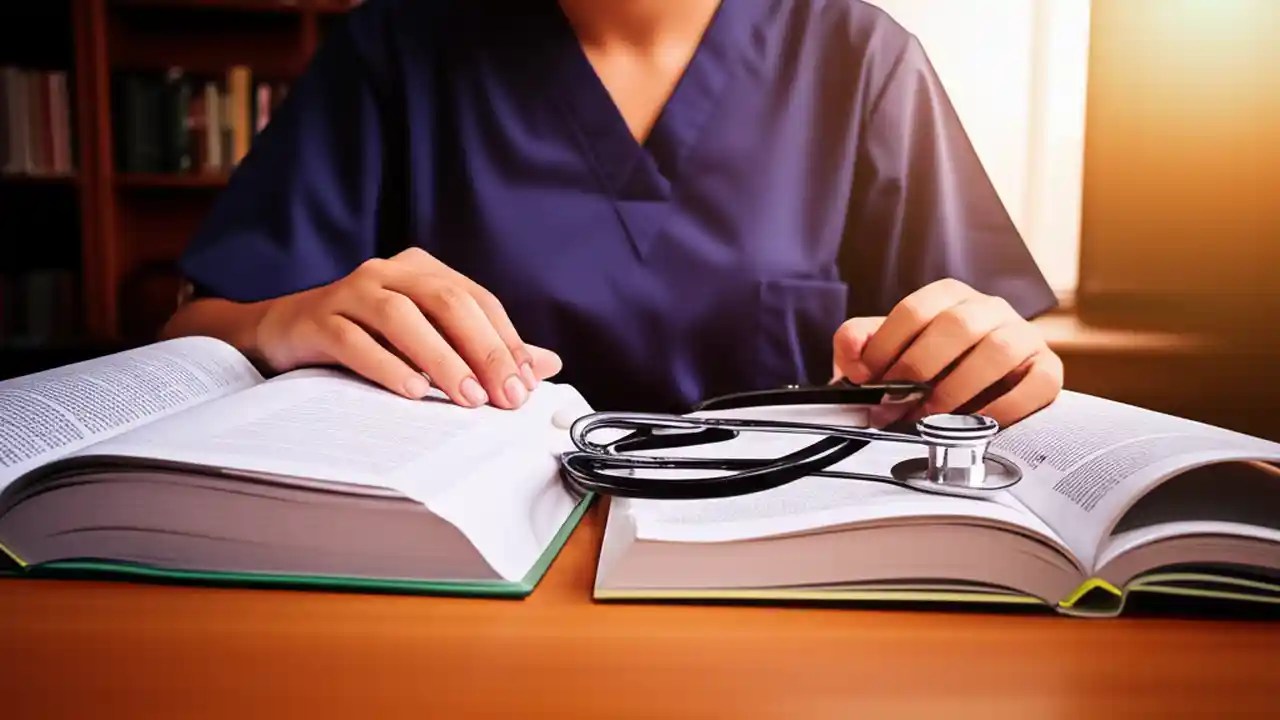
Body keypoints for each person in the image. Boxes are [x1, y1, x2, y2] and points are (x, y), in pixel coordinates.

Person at [163, 0, 1064, 427]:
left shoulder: (860, 58)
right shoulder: (396, 47)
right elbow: (194, 326)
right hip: (449, 579)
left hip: (779, 572)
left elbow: (981, 347)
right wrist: (281, 320)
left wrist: (996, 358)